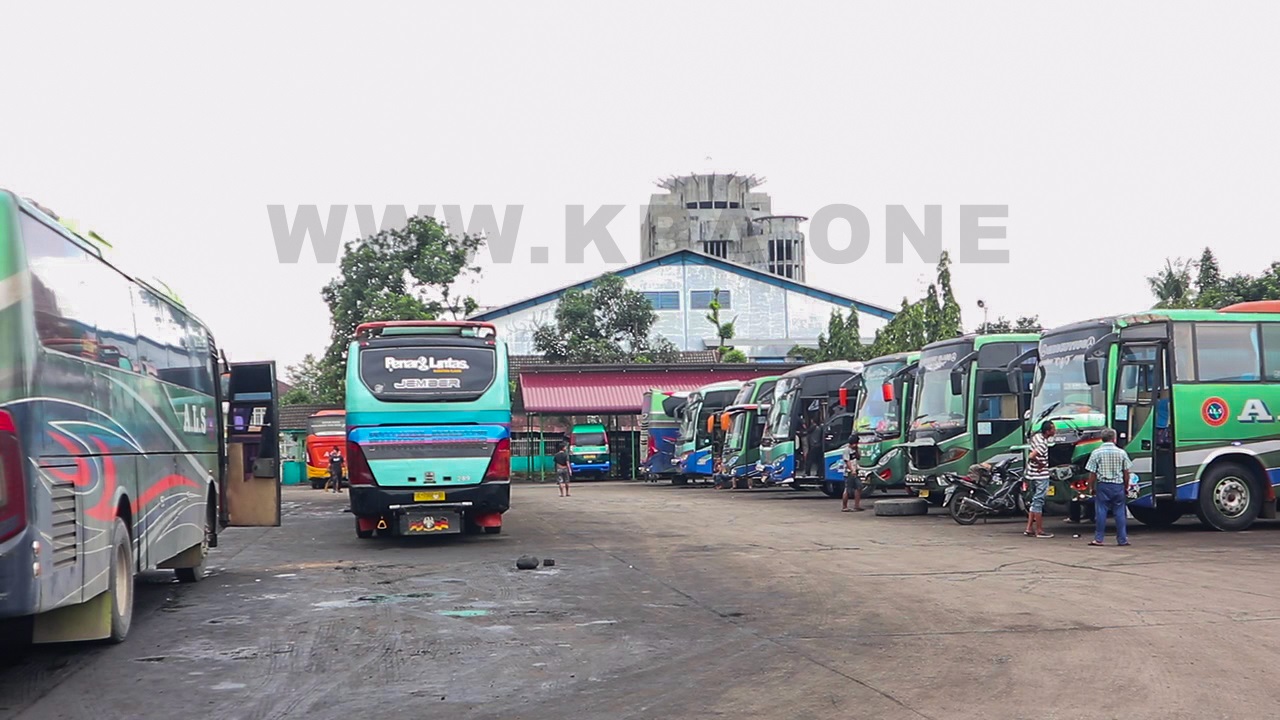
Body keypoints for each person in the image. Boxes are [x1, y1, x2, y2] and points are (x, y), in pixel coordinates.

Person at [1085, 428, 1132, 546]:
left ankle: (1099, 539)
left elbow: (1092, 473)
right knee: (1120, 513)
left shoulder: (1096, 453)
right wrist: (1126, 486)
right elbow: (1126, 472)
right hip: (1118, 486)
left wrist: (1090, 487)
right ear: (1114, 439)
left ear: (1102, 439)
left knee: (1101, 512)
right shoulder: (1122, 453)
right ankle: (1122, 539)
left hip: (1103, 485)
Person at [1023, 420, 1055, 538]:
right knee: (1039, 501)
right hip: (1040, 475)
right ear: (1048, 432)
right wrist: (1041, 464)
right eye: (1053, 429)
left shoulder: (1036, 437)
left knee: (1034, 501)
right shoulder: (1042, 444)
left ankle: (1029, 528)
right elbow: (1032, 456)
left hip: (1031, 474)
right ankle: (1040, 530)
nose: (1055, 430)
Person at [841, 434, 863, 512]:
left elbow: (858, 457)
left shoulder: (856, 449)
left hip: (856, 470)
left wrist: (857, 450)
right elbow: (847, 461)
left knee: (859, 487)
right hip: (849, 472)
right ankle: (844, 506)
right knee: (847, 489)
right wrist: (852, 470)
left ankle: (856, 505)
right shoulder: (846, 450)